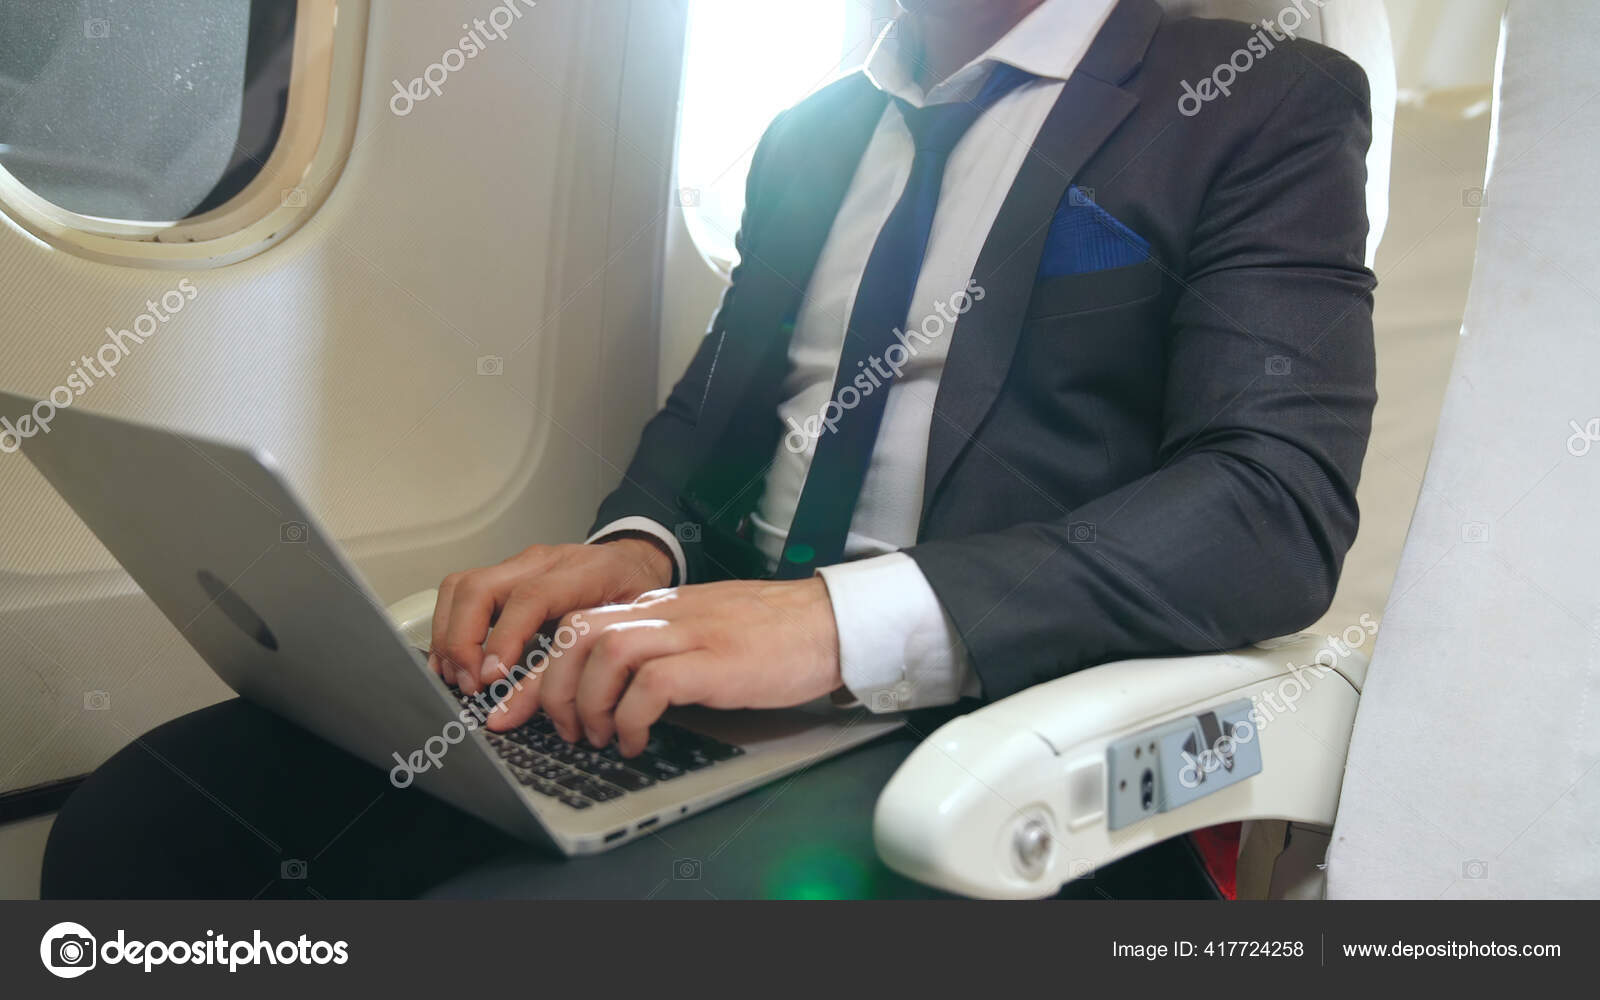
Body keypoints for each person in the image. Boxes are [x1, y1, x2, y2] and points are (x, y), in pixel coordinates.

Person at [44, 0, 1375, 899]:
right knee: (150, 822)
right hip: (711, 687)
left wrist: (833, 627)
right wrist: (632, 549)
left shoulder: (1257, 105)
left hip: (992, 716)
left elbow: (1271, 506)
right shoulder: (811, 138)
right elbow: (713, 429)